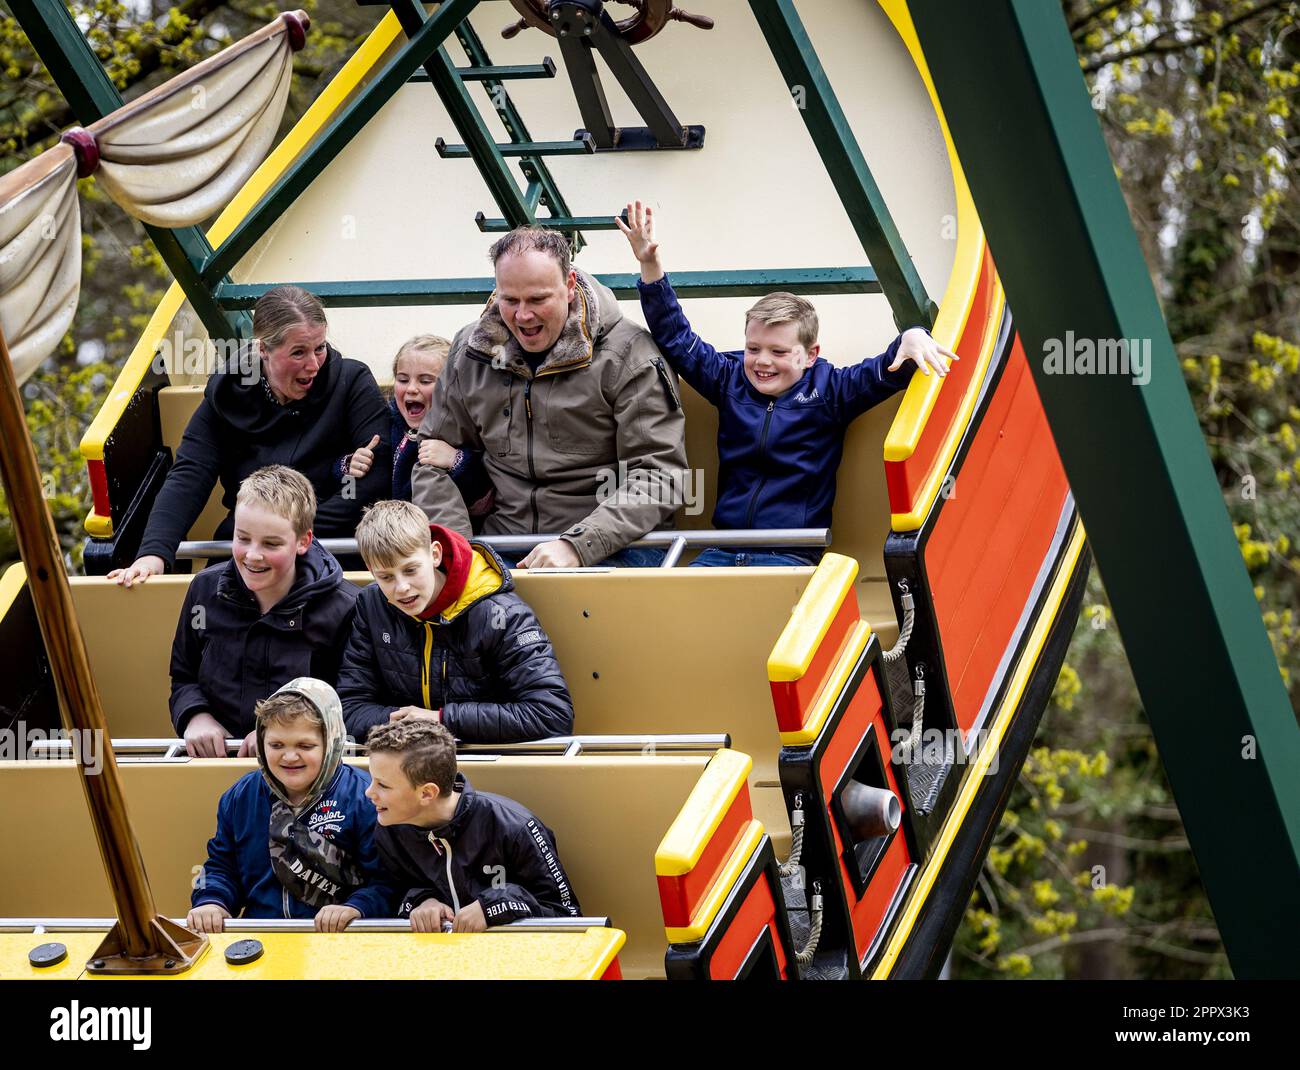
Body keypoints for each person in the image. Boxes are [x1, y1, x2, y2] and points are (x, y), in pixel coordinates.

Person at [618, 201, 958, 566]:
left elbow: (884, 371)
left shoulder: (831, 391)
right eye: (753, 348)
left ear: (810, 354)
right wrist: (650, 265)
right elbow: (676, 339)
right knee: (678, 607)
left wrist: (914, 334)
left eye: (779, 352)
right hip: (724, 550)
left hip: (791, 552)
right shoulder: (729, 378)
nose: (763, 361)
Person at [412, 225, 687, 569]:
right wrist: (457, 553)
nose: (523, 315)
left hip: (614, 547)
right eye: (509, 300)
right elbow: (430, 463)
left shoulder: (629, 355)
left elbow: (659, 476)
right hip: (500, 543)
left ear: (570, 286)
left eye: (538, 300)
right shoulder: (472, 352)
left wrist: (578, 545)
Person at [109, 285, 389, 587]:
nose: (314, 364)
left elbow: (378, 471)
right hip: (248, 549)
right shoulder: (228, 395)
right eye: (298, 352)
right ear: (262, 350)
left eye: (320, 348)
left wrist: (291, 533)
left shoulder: (351, 381)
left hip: (333, 544)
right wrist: (154, 553)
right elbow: (190, 474)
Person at [337, 500, 572, 743]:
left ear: (435, 554)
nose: (402, 588)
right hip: (404, 761)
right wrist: (409, 722)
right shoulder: (371, 605)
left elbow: (552, 714)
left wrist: (440, 720)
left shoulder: (502, 614)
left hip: (488, 761)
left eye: (410, 570)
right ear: (370, 571)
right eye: (386, 576)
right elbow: (349, 709)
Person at [169, 466, 358, 757]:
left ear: (303, 542)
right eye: (243, 539)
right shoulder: (203, 591)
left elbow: (352, 700)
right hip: (219, 761)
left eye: (271, 544)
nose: (253, 555)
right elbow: (184, 675)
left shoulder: (344, 607)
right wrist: (196, 716)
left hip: (307, 769)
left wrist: (284, 734)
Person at [186, 679, 394, 932]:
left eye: (305, 746)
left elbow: (388, 880)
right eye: (276, 745)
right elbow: (221, 865)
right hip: (263, 933)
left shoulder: (365, 796)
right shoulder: (241, 795)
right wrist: (211, 901)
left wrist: (357, 907)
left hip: (341, 938)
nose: (289, 756)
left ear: (332, 743)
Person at [365, 718, 580, 931]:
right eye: (372, 779)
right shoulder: (389, 829)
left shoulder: (514, 826)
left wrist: (495, 906)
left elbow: (567, 915)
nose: (369, 792)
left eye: (382, 785)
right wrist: (421, 901)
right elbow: (393, 891)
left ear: (427, 793)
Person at [336, 335, 494, 521]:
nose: (411, 388)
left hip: (442, 541)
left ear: (453, 386)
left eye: (425, 381)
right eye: (403, 380)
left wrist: (457, 460)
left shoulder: (466, 430)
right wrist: (348, 466)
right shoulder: (383, 424)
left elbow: (484, 504)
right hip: (386, 539)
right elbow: (348, 491)